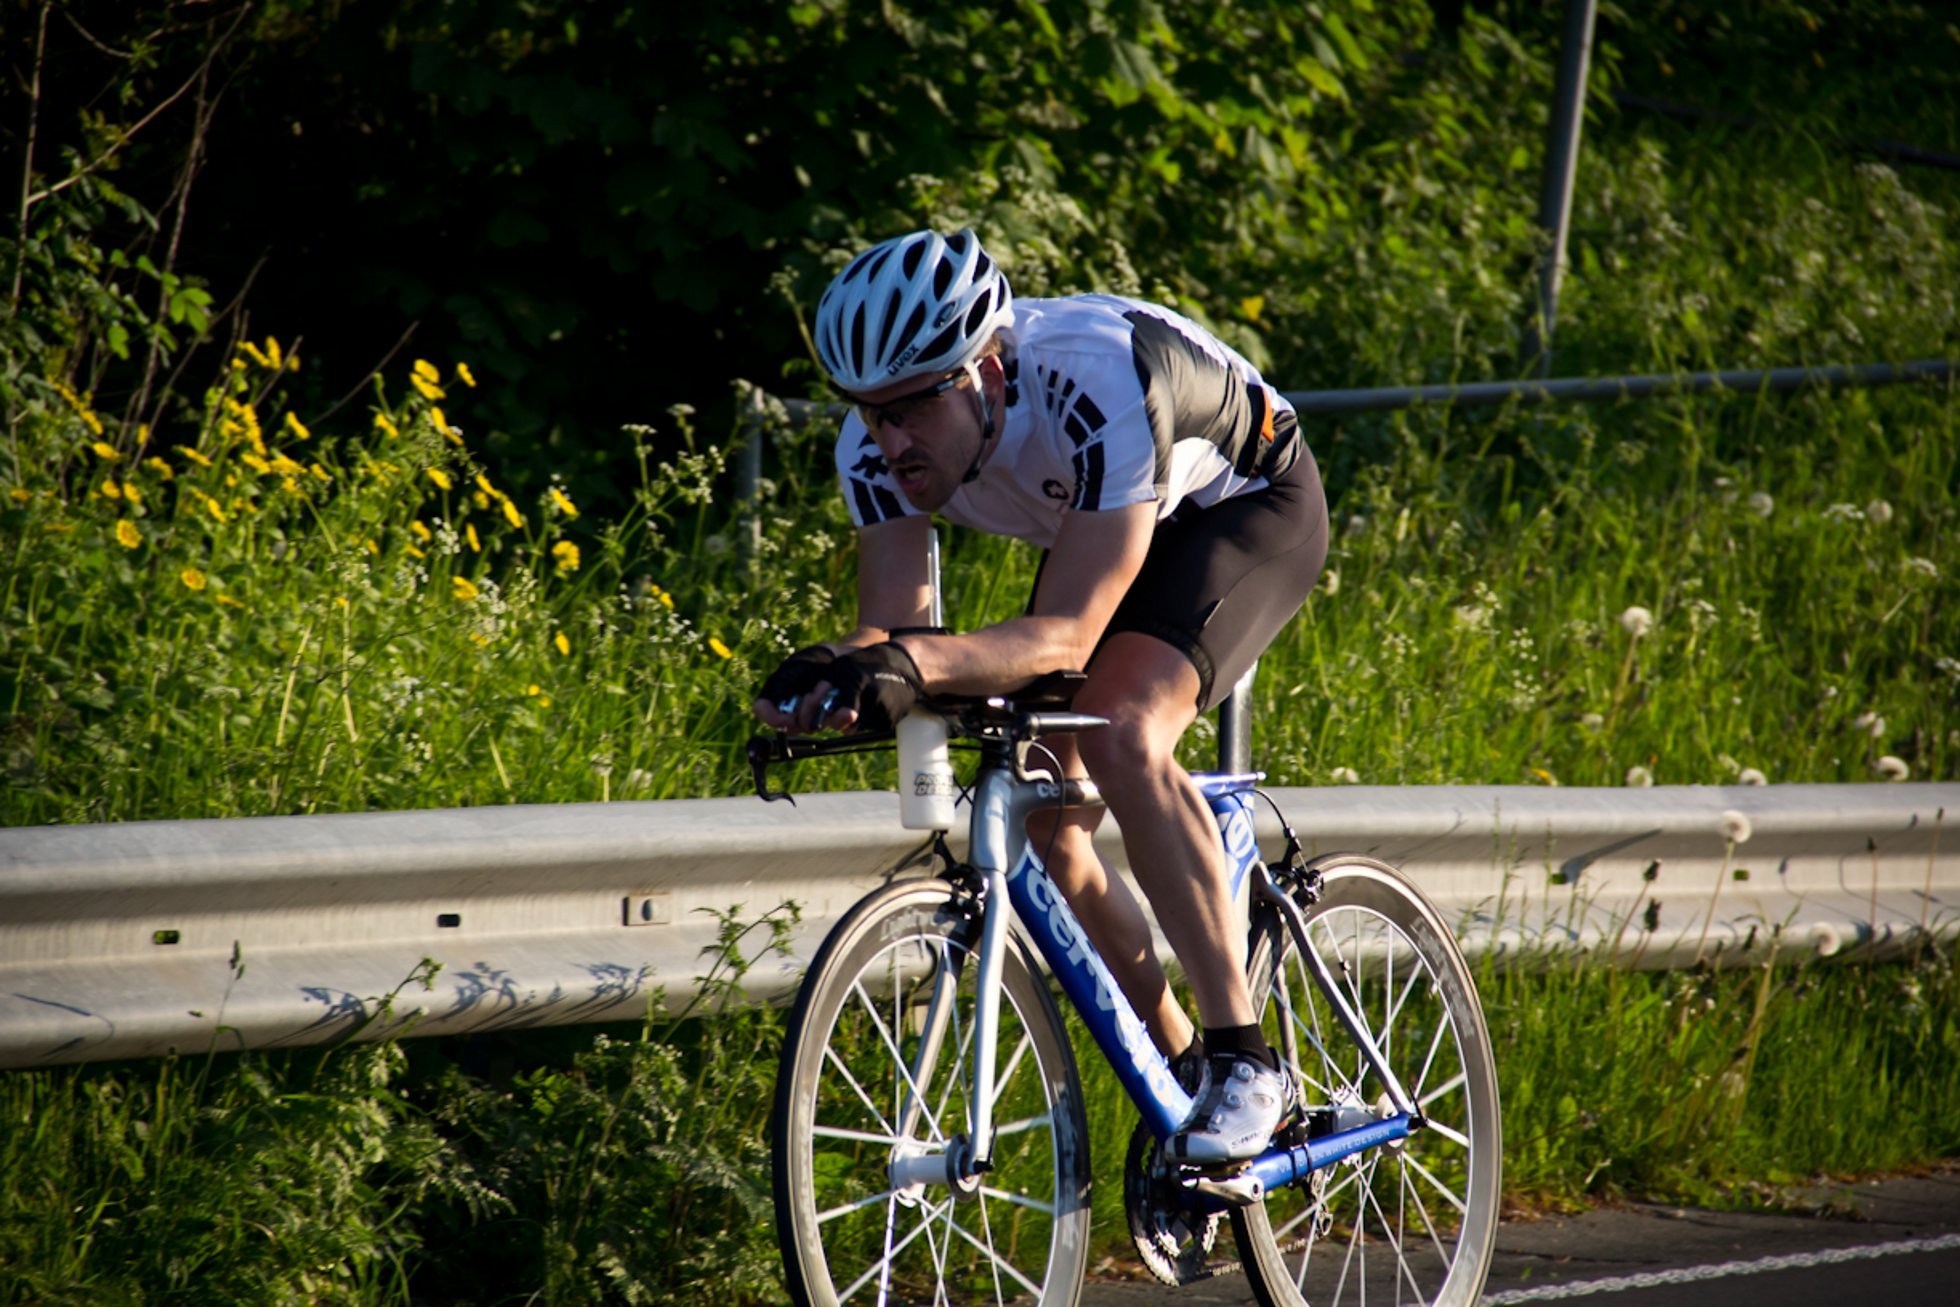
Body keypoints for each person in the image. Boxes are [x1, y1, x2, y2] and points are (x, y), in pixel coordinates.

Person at [753, 228, 1329, 1167]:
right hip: (1106, 528)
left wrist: (911, 666)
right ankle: (1182, 1066)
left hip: (1244, 506)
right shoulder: (872, 446)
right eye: (869, 412)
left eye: (910, 409)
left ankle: (1245, 1060)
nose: (889, 439)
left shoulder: (1091, 378)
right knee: (1053, 827)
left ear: (983, 369)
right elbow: (899, 625)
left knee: (1125, 727)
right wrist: (831, 669)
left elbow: (1065, 636)